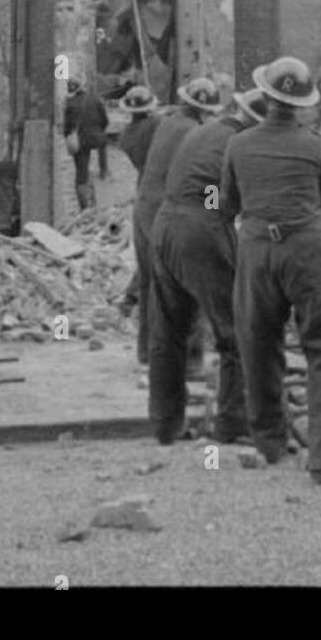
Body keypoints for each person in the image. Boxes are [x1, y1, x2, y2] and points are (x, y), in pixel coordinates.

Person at [222, 55, 321, 488]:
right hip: (307, 248)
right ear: (302, 103)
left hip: (255, 249)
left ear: (264, 95)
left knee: (257, 339)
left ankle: (269, 441)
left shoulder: (238, 144)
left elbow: (227, 204)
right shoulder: (317, 146)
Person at [148, 88, 267, 445]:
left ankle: (166, 425)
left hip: (165, 224)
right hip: (200, 230)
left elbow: (209, 190)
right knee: (236, 330)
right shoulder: (240, 144)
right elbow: (231, 201)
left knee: (169, 332)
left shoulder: (203, 131)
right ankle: (233, 423)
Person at [131, 78, 223, 367]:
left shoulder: (168, 122)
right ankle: (190, 360)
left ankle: (147, 352)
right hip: (168, 216)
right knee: (189, 283)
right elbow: (206, 178)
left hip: (144, 209)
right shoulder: (198, 133)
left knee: (150, 285)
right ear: (207, 111)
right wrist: (215, 210)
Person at [117, 85, 161, 317]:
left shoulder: (126, 135)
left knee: (146, 251)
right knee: (161, 251)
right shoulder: (156, 126)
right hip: (163, 195)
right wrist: (212, 204)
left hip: (143, 193)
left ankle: (132, 298)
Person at [62, 78, 109, 212]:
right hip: (97, 137)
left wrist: (69, 138)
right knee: (102, 144)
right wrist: (98, 130)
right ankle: (104, 171)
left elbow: (66, 129)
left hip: (80, 141)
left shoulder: (69, 103)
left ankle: (84, 207)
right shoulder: (95, 99)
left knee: (81, 174)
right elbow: (105, 120)